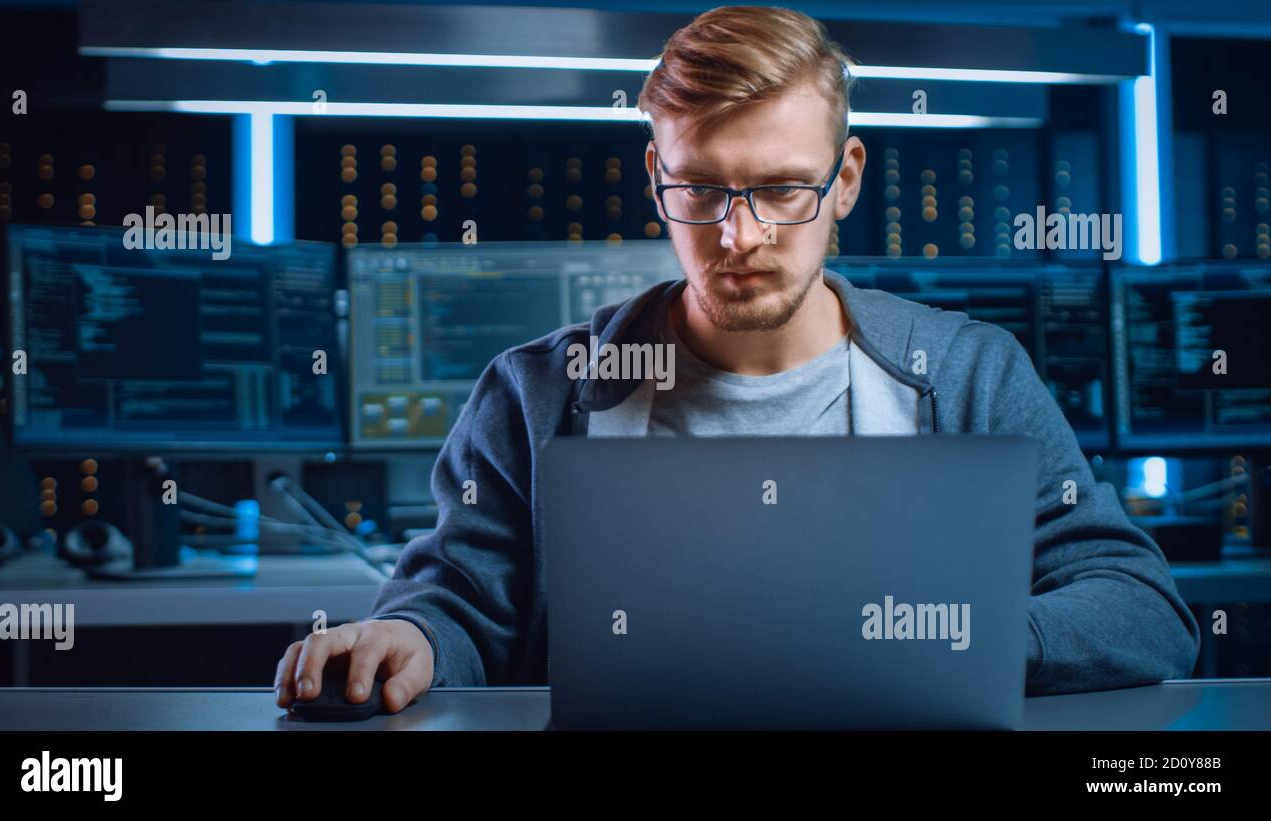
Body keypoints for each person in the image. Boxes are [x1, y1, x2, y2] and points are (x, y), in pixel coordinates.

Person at [275, 5, 1200, 714]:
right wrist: (410, 637)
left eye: (780, 189)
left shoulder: (970, 375)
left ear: (844, 182)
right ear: (654, 177)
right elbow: (463, 606)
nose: (739, 234)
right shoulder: (537, 393)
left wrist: (952, 640)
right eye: (704, 190)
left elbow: (1141, 609)